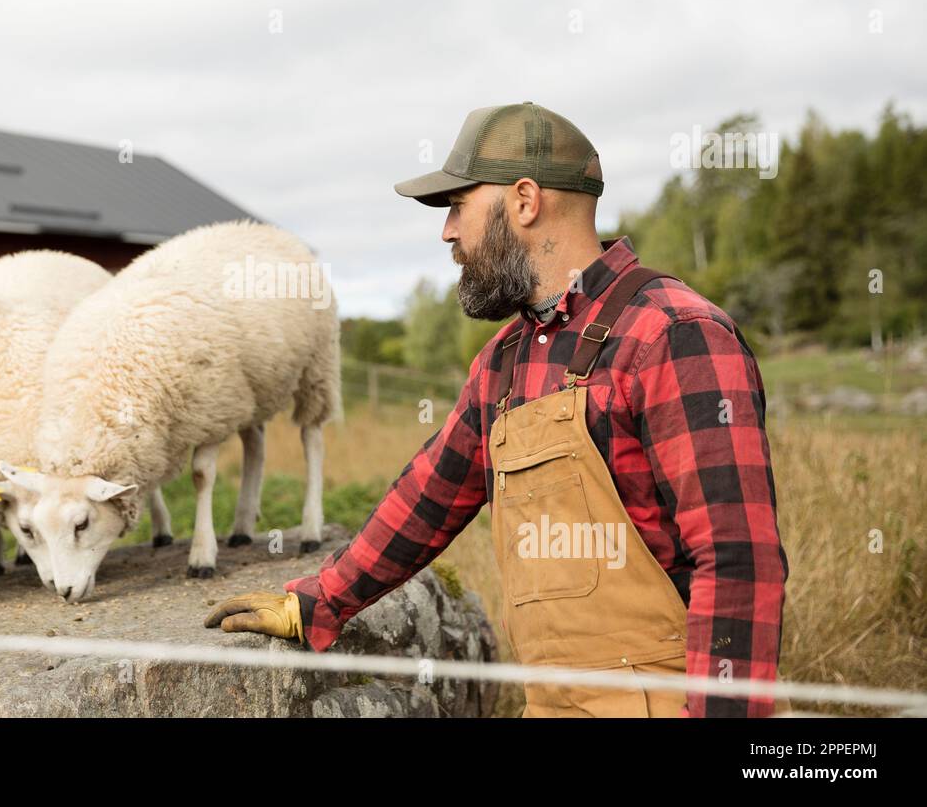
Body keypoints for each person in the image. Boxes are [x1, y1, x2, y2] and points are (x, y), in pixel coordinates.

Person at [204, 102, 789, 717]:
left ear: (525, 201)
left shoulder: (673, 334)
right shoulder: (504, 362)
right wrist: (318, 600)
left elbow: (737, 560)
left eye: (459, 206)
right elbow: (430, 496)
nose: (448, 232)